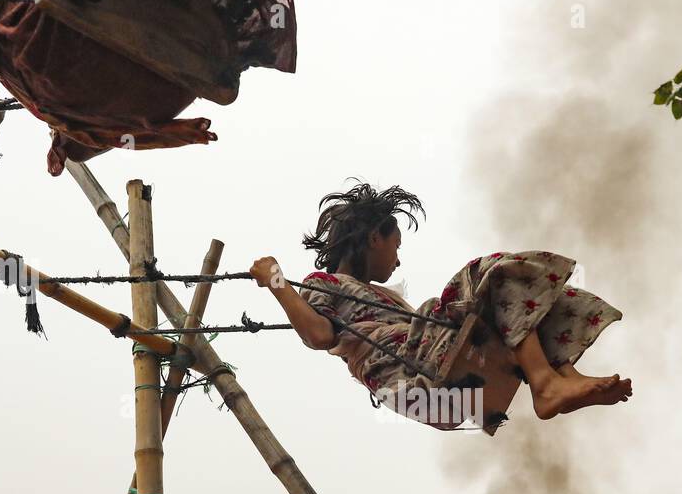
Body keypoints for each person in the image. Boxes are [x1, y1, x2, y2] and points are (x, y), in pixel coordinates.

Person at [250, 183, 632, 426]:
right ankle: (546, 384)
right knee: (491, 273)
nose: (397, 260)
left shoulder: (378, 297)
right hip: (414, 378)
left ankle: (561, 379)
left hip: (432, 371)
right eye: (396, 245)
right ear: (373, 240)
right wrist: (276, 281)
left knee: (541, 301)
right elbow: (318, 335)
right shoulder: (324, 285)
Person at [0, 0, 297, 174]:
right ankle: (95, 130)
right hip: (76, 52)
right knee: (79, 138)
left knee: (81, 136)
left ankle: (96, 129)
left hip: (141, 57)